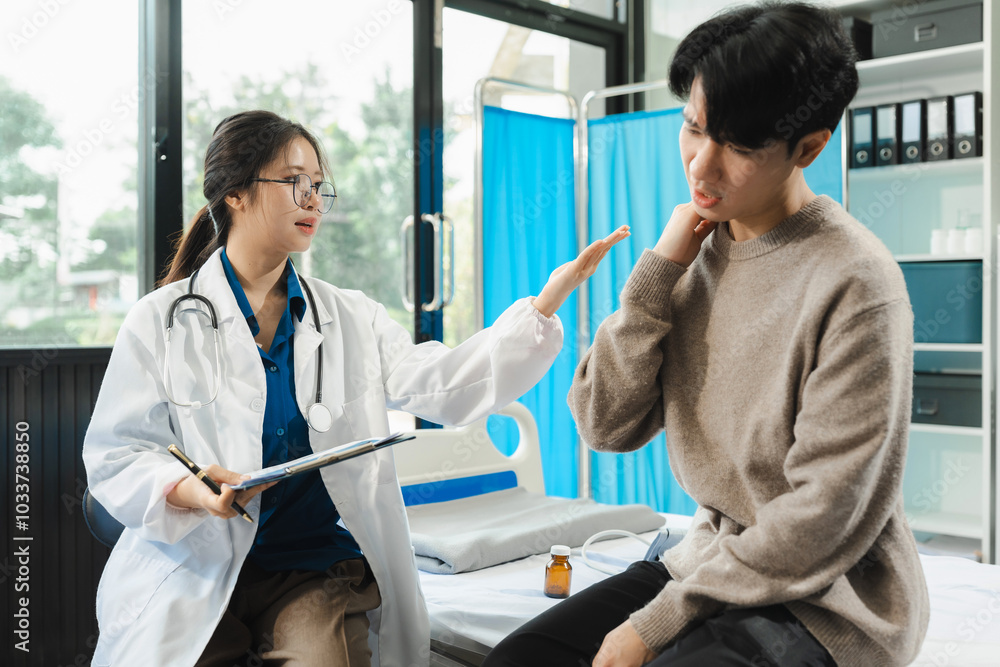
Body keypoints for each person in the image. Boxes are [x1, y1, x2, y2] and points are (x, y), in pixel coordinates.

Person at [83, 109, 628, 666]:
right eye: (294, 182)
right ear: (236, 194)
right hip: (193, 563)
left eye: (318, 185)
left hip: (309, 570)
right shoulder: (161, 320)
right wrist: (193, 489)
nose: (313, 201)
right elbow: (117, 454)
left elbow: (444, 385)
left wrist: (543, 306)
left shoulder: (349, 317)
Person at [484, 3, 929, 667]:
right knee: (520, 660)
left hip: (828, 598)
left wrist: (654, 625)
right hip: (711, 561)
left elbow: (824, 515)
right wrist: (656, 276)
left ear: (809, 147)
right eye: (694, 128)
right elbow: (605, 424)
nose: (701, 166)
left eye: (739, 148)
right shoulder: (690, 257)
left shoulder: (857, 284)